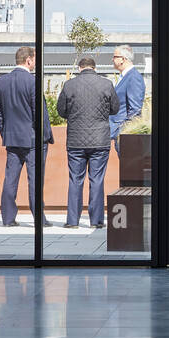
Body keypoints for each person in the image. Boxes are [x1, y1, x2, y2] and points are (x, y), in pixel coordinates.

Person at [56, 56, 120, 229]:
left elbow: (61, 110)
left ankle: (72, 221)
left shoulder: (69, 85)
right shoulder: (106, 84)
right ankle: (96, 221)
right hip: (100, 140)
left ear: (79, 68)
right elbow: (115, 109)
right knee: (97, 180)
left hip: (76, 141)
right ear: (95, 68)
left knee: (75, 180)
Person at [0, 46, 54, 227]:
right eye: (34, 60)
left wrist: (6, 133)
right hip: (33, 140)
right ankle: (39, 219)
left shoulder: (2, 82)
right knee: (35, 180)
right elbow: (39, 113)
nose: (35, 63)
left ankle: (8, 218)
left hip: (12, 139)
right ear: (28, 60)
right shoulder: (32, 81)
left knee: (10, 179)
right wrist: (45, 136)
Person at [109, 44, 146, 153]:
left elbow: (135, 109)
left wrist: (124, 130)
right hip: (119, 132)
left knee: (128, 163)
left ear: (123, 59)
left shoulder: (133, 77)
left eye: (115, 57)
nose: (112, 59)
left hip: (124, 134)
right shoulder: (124, 76)